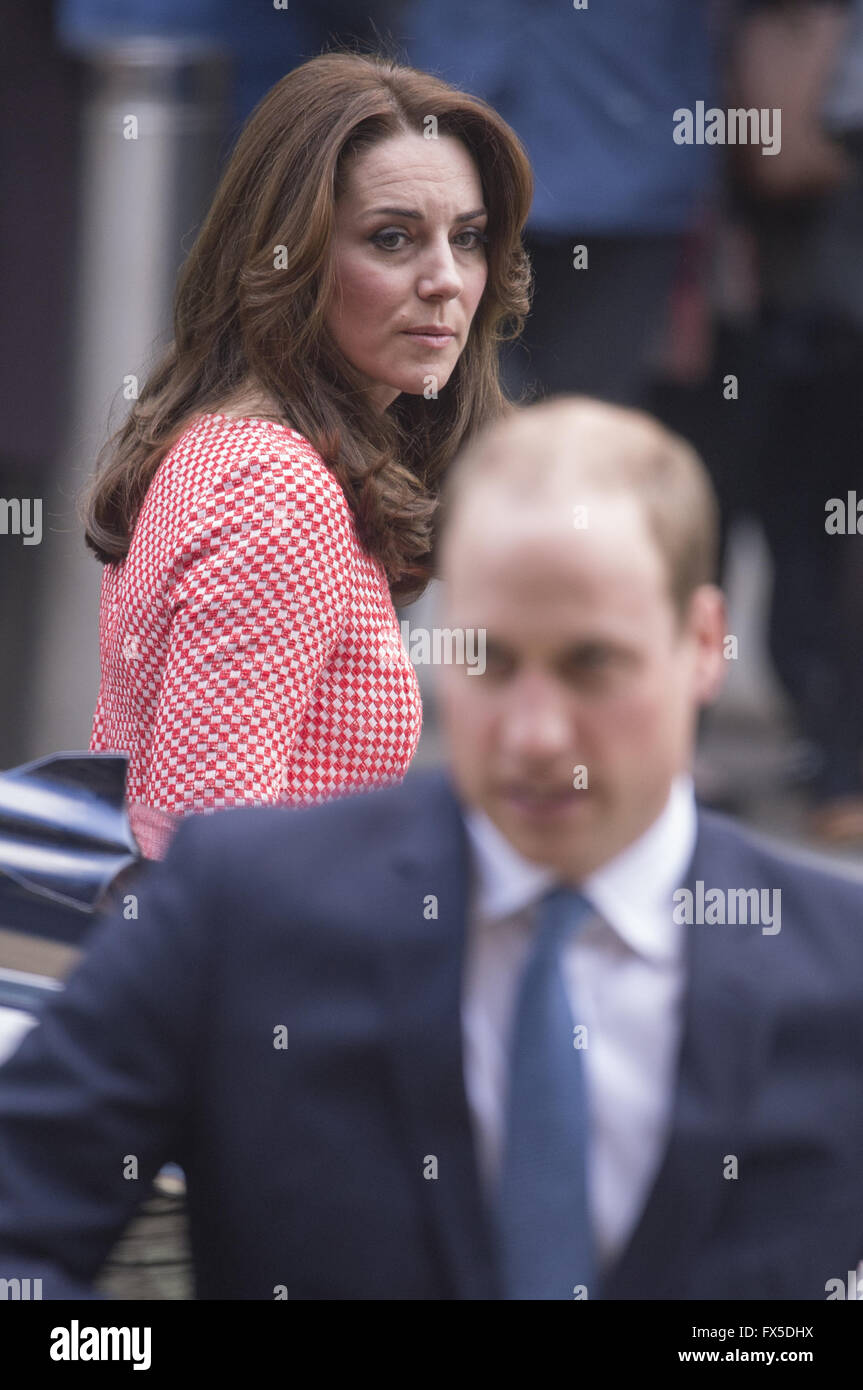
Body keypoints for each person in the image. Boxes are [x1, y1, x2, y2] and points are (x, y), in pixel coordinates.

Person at [3, 396, 863, 1300]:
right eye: (489, 661)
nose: (533, 734)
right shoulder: (246, 909)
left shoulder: (836, 976)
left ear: (700, 645)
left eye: (589, 665)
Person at [81, 49, 533, 857]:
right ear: (289, 257)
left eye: (466, 238)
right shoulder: (273, 486)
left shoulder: (243, 451)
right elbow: (210, 850)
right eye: (391, 239)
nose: (444, 280)